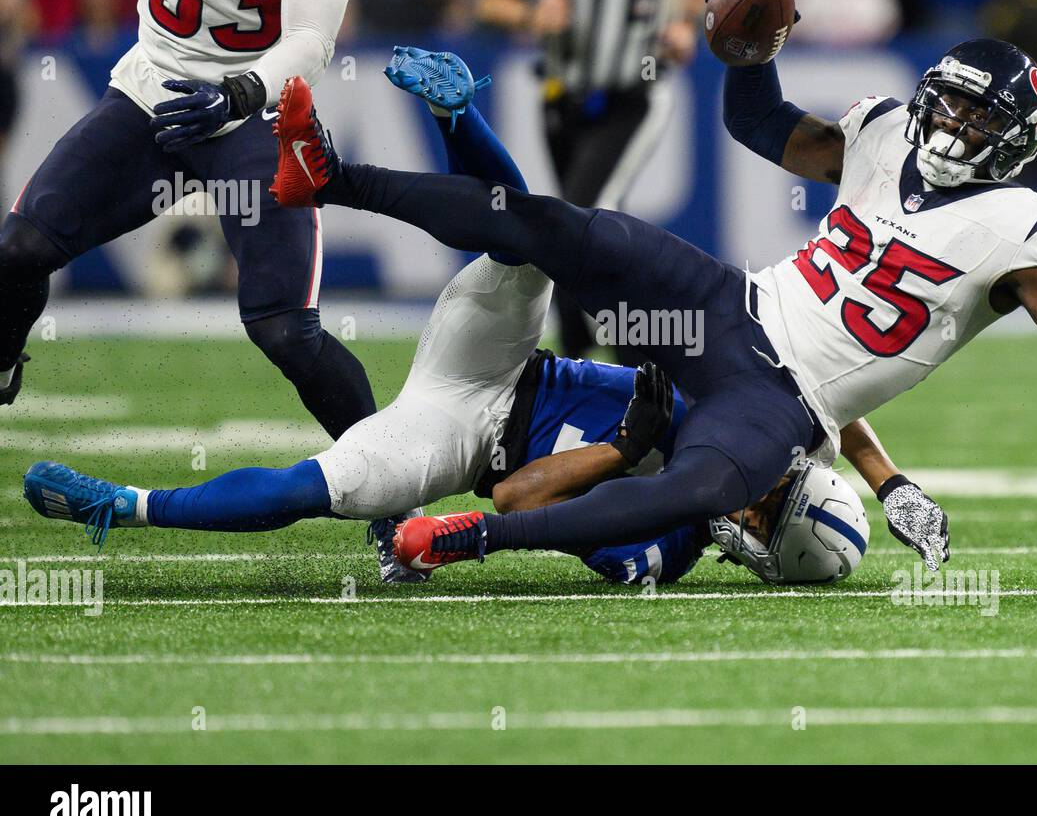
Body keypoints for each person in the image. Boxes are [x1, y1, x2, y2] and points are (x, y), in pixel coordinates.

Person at [261, 25, 1037, 576]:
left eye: (977, 111)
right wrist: (747, 52)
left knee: (691, 491)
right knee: (560, 226)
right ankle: (331, 174)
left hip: (787, 404)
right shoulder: (880, 132)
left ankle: (458, 537)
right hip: (729, 304)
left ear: (1012, 135)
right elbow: (762, 126)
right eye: (950, 98)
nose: (952, 119)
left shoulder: (1024, 230)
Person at [23, 50, 929, 586]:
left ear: (760, 552)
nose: (761, 490)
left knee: (322, 491)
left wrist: (621, 451)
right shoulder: (770, 445)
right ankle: (450, 122)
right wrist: (890, 482)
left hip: (462, 434)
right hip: (517, 361)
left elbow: (513, 500)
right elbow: (822, 399)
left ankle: (126, 507)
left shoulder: (667, 545)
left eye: (768, 513)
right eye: (780, 488)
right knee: (539, 238)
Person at [0, 0, 381, 449]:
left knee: (286, 329)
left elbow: (313, 40)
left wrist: (238, 95)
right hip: (153, 90)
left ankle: (392, 493)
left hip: (256, 110)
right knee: (18, 251)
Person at [476, 0, 713, 365]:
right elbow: (488, 0)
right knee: (591, 216)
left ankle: (589, 354)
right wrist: (530, 15)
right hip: (562, 99)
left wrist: (687, 22)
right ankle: (634, 356)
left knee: (583, 212)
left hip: (634, 96)